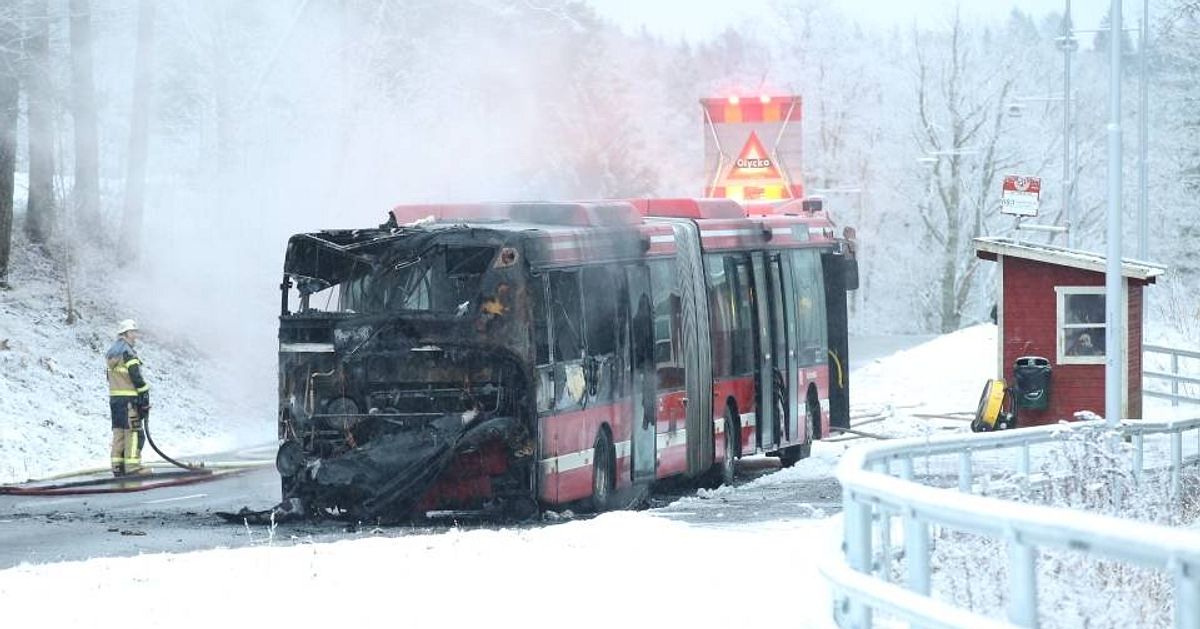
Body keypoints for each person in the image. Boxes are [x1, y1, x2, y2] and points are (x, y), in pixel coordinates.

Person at [106, 319, 150, 476]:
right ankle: (133, 467)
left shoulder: (112, 353)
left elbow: (109, 378)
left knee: (119, 432)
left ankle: (117, 467)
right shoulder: (128, 353)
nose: (136, 336)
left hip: (115, 400)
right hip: (129, 401)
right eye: (134, 333)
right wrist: (144, 393)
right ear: (127, 333)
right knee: (133, 432)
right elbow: (136, 377)